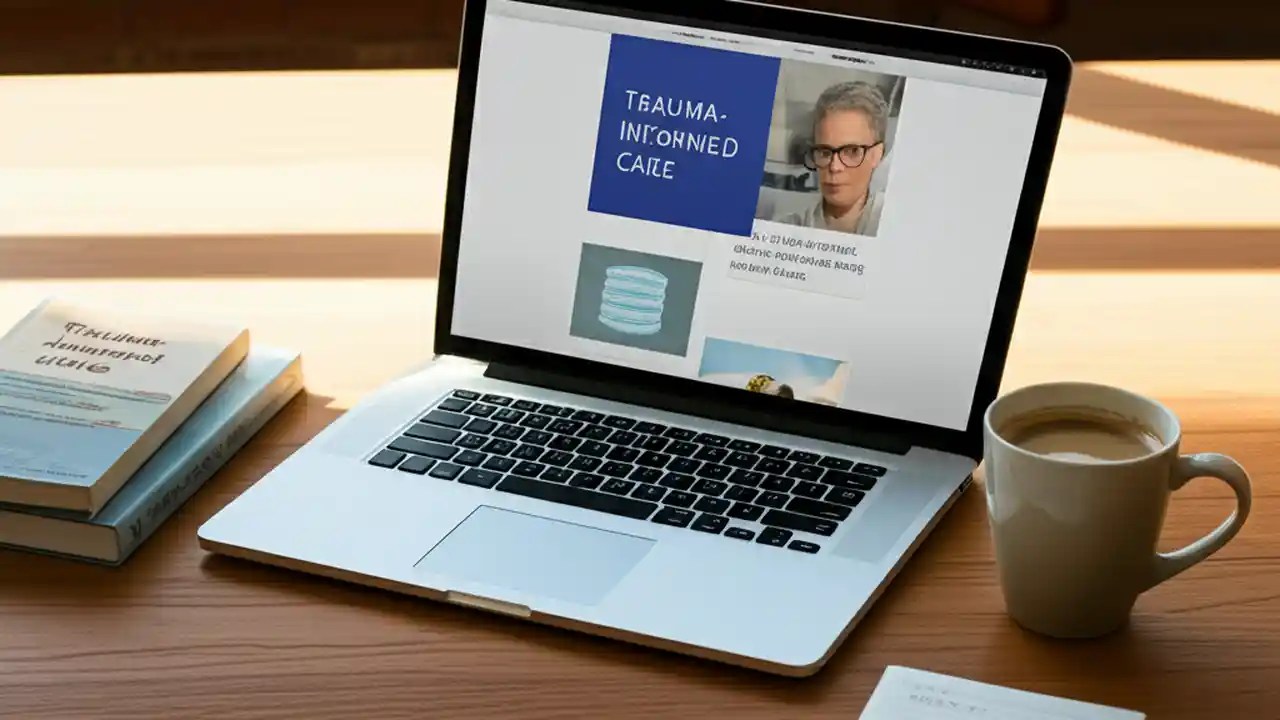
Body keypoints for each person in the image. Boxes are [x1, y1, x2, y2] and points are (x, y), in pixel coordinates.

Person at [777, 81, 889, 236]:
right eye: (824, 152)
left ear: (877, 154)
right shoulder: (785, 230)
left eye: (851, 151)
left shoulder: (898, 225)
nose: (834, 167)